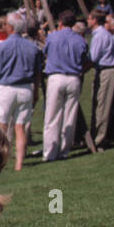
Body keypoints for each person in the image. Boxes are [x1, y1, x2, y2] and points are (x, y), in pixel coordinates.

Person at [0, 13, 42, 171]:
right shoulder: (33, 47)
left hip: (7, 89)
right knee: (20, 128)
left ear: (10, 27)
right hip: (26, 89)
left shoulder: (2, 46)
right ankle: (19, 164)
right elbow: (37, 74)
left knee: (0, 126)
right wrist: (36, 92)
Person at [41, 9, 88, 163]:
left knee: (52, 116)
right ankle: (64, 150)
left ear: (60, 22)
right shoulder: (80, 40)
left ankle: (50, 151)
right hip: (73, 78)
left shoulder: (53, 37)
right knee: (69, 116)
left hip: (56, 77)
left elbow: (46, 53)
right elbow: (83, 58)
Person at [86, 9, 114, 149]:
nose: (87, 21)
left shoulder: (99, 35)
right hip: (104, 71)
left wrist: (81, 68)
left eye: (89, 18)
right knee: (99, 105)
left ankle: (99, 140)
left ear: (94, 20)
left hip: (107, 71)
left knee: (102, 106)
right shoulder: (100, 34)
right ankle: (96, 136)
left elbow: (93, 58)